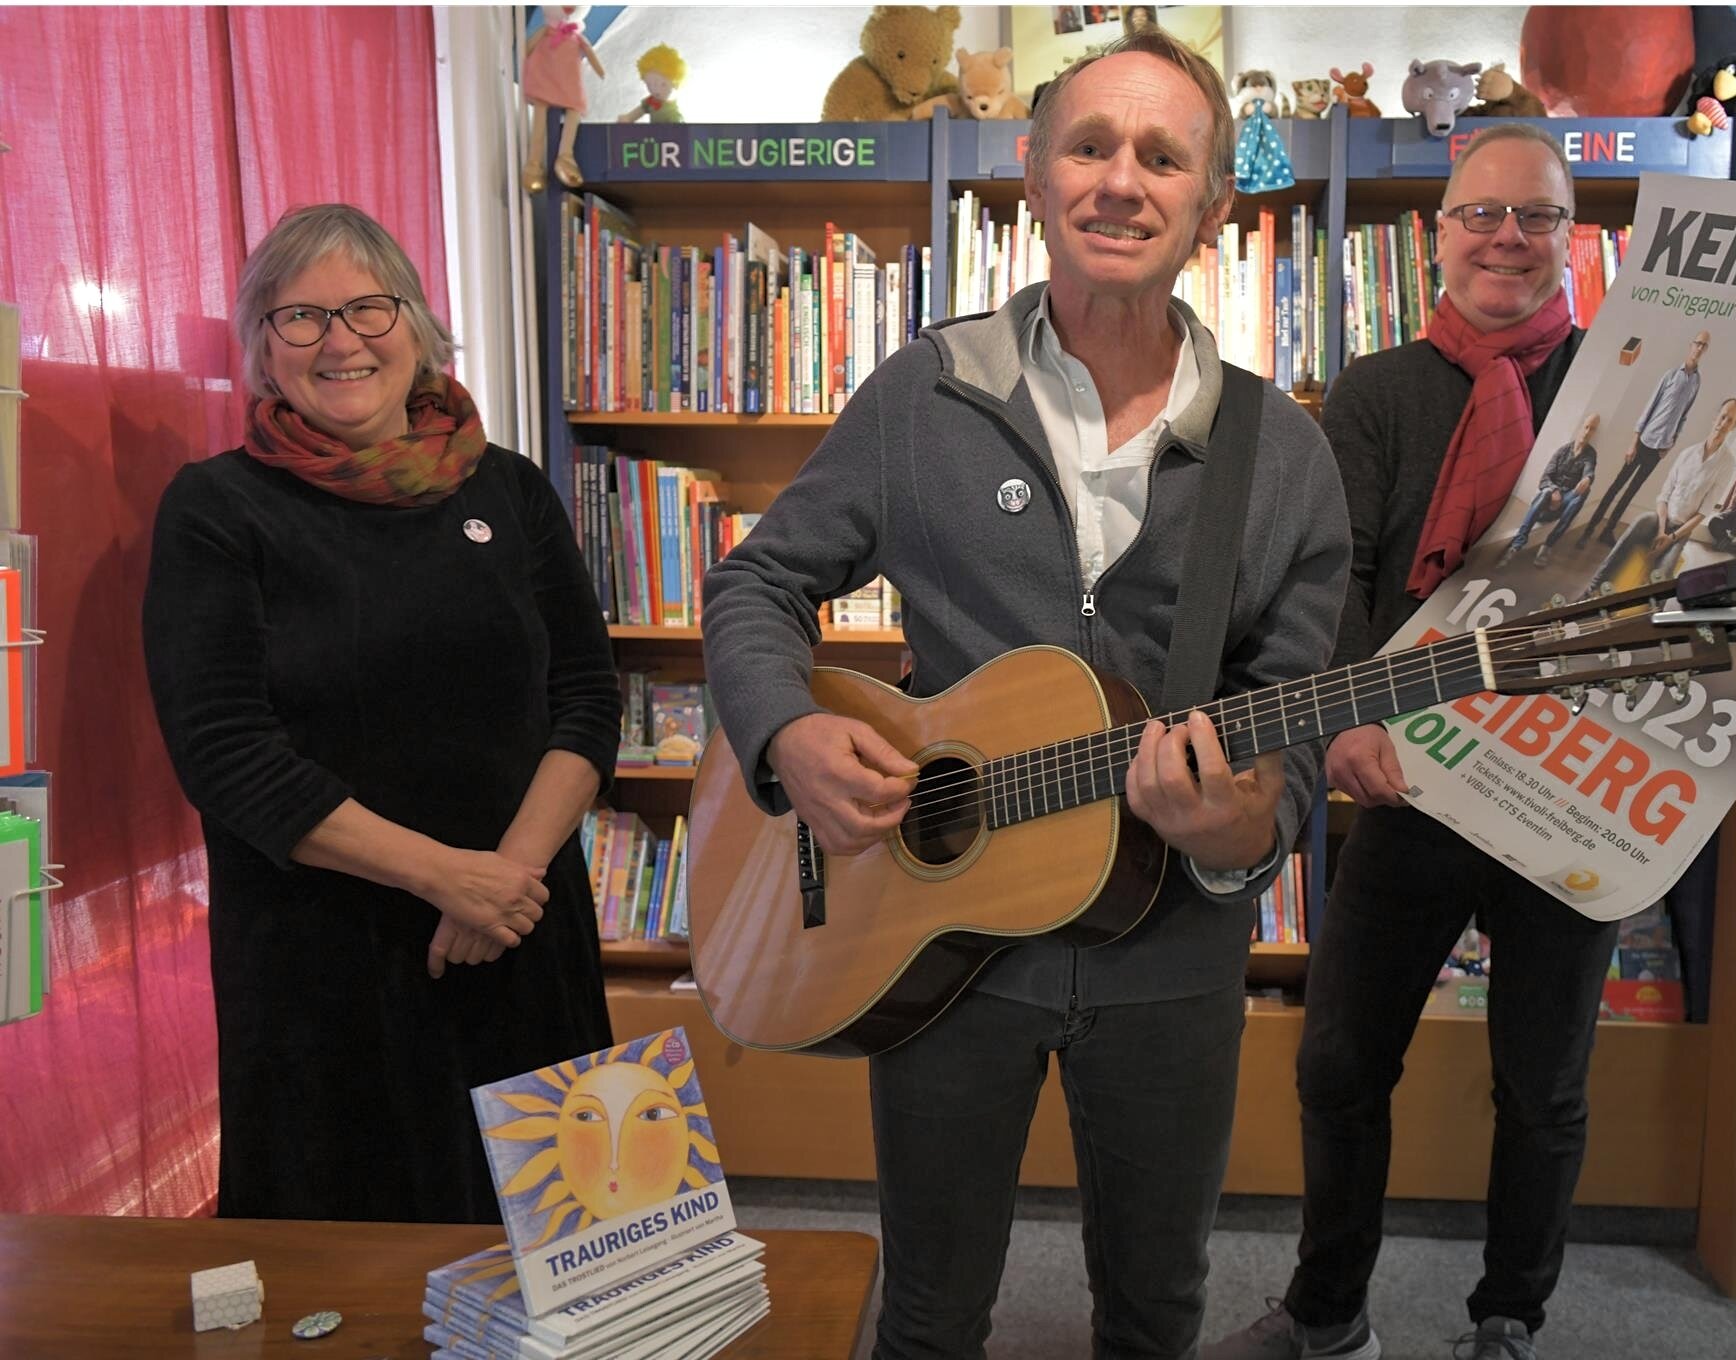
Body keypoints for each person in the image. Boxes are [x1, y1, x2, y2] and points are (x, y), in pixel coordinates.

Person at [700, 29, 1349, 1360]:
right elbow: (753, 590)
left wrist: (1237, 829)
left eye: (1163, 156)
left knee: (1158, 1309)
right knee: (931, 1312)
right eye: (1091, 146)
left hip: (1170, 958)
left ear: (1212, 204)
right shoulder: (923, 394)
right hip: (935, 940)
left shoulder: (1280, 453)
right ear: (1034, 177)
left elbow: (1289, 734)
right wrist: (790, 730)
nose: (1123, 180)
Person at [1206, 129, 1736, 1360]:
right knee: (1342, 1064)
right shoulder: (1376, 390)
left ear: (1572, 238)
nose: (1506, 236)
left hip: (1569, 783)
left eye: (1536, 216)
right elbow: (1339, 575)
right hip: (1410, 779)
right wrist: (1347, 712)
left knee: (1545, 1087)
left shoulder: (1629, 369)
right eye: (1481, 215)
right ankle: (1325, 1310)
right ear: (1440, 235)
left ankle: (1510, 1316)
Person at [142, 204, 618, 1222]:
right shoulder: (217, 510)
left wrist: (508, 882)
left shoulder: (514, 490)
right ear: (264, 349)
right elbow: (227, 756)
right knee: (348, 1288)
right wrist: (452, 878)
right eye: (300, 317)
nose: (342, 339)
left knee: (564, 1255)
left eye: (368, 305)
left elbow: (586, 701)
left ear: (418, 323)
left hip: (525, 938)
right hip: (324, 973)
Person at [1579, 395, 1736, 595]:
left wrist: (1671, 537)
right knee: (1640, 522)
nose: (1724, 423)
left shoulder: (1726, 464)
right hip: (1661, 520)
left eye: (1730, 420)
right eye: (1723, 416)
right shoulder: (1687, 454)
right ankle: (1591, 589)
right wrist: (1661, 531)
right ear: (1715, 417)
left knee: (1661, 578)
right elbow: (1664, 495)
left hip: (1681, 531)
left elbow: (1703, 512)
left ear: (1734, 426)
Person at [1574, 328, 1708, 547]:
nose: (1700, 348)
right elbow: (1649, 408)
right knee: (1616, 487)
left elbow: (1684, 415)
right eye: (1698, 343)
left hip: (1659, 450)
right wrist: (1633, 441)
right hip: (1644, 441)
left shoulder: (1696, 382)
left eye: (1704, 346)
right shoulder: (1671, 376)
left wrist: (1672, 442)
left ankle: (1607, 531)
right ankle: (1588, 531)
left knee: (1630, 492)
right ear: (1691, 345)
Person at [1495, 412, 1597, 568]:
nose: (1587, 432)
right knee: (1546, 492)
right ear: (1581, 427)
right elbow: (1545, 478)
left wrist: (1588, 479)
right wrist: (1554, 490)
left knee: (1585, 492)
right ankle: (1516, 544)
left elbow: (1589, 470)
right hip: (1546, 504)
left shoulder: (1591, 454)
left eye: (1592, 429)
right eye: (1586, 427)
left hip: (1565, 505)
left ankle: (1548, 546)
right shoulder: (1563, 451)